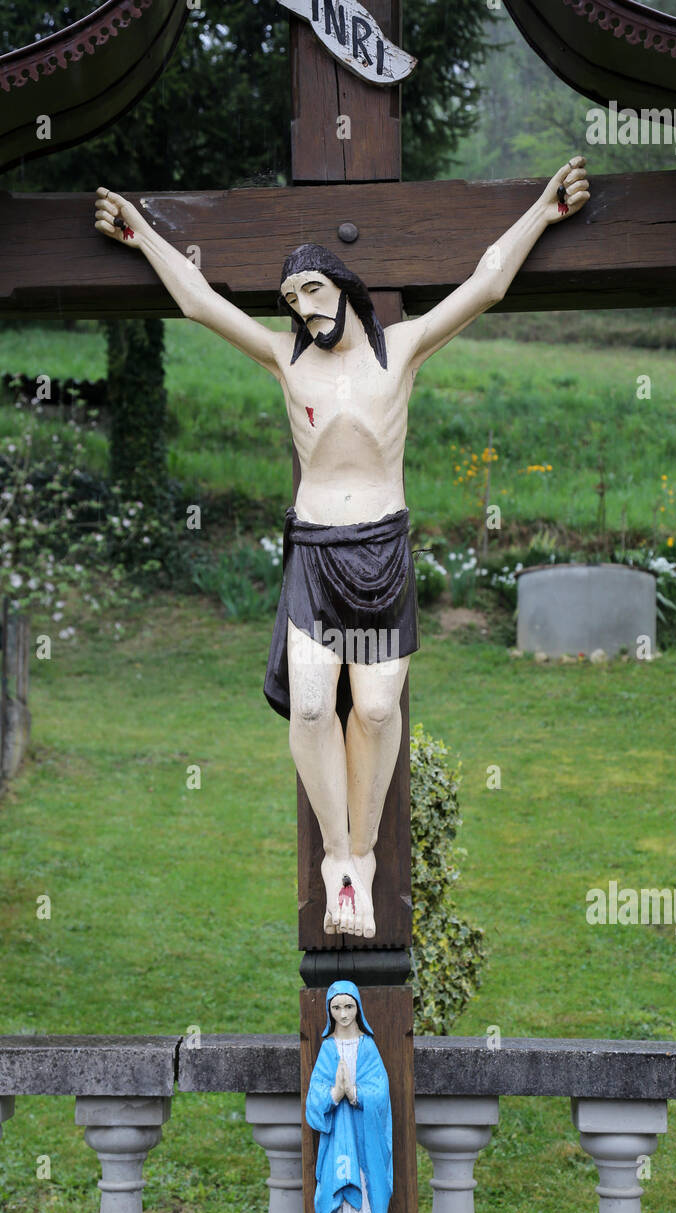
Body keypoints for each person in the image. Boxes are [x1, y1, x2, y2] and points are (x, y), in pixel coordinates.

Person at [94, 161, 589, 938]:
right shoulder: (287, 362)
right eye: (291, 301)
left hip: (381, 552)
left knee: (381, 706)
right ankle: (340, 861)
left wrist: (542, 212)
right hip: (316, 553)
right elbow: (197, 302)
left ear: (344, 288)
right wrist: (141, 233)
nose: (301, 309)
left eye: (312, 292)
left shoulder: (402, 352)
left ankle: (361, 847)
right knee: (317, 703)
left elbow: (486, 284)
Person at [305, 980, 400, 1213]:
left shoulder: (367, 1046)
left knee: (364, 1188)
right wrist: (335, 1093)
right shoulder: (327, 1048)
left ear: (358, 1007)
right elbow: (314, 1097)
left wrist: (355, 1093)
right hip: (338, 1141)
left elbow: (381, 1093)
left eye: (348, 1006)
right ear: (328, 1011)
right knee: (338, 1189)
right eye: (336, 1008)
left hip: (362, 1140)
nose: (343, 1014)